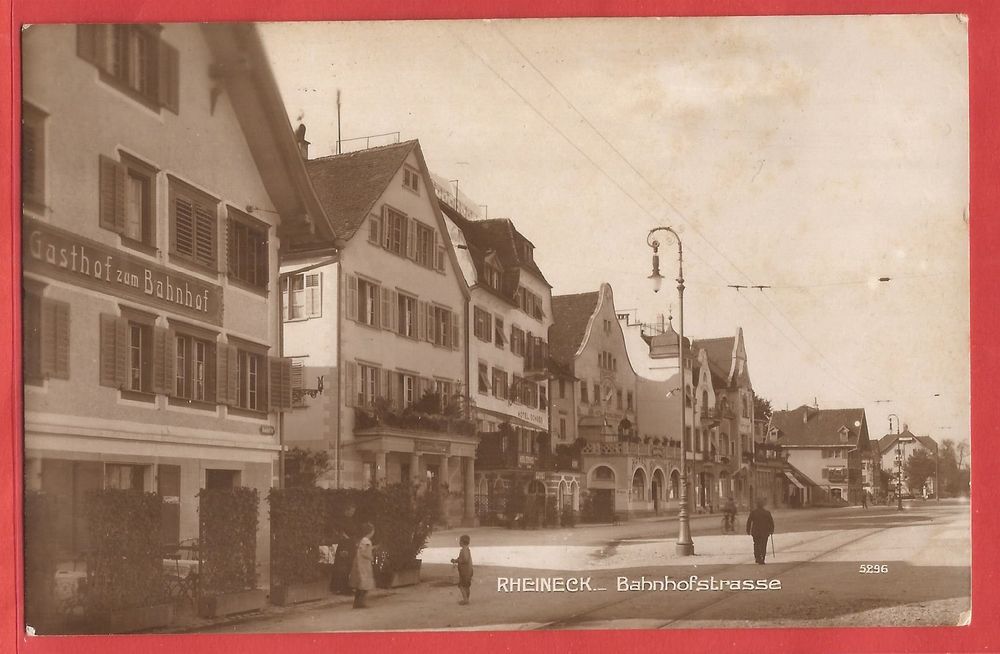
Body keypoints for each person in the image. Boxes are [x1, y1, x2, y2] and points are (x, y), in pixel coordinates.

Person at [329, 502, 357, 595]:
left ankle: (346, 587)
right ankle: (342, 588)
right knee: (342, 567)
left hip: (350, 545)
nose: (352, 513)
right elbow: (339, 531)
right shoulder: (341, 520)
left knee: (348, 566)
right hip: (344, 545)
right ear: (347, 510)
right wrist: (344, 537)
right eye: (351, 511)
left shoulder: (350, 520)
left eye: (354, 511)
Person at [349, 522, 375, 608]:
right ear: (370, 532)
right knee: (364, 584)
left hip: (360, 563)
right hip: (364, 564)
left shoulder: (362, 540)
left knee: (361, 584)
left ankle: (357, 602)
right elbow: (364, 552)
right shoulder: (367, 541)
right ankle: (360, 603)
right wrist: (370, 557)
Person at [746, 497, 774, 564]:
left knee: (756, 544)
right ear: (763, 505)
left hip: (755, 532)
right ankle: (762, 558)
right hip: (764, 532)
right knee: (763, 545)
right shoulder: (767, 513)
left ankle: (757, 557)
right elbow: (771, 522)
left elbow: (749, 521)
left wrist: (748, 530)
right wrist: (771, 530)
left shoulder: (753, 512)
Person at [450, 534, 474, 605]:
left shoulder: (464, 550)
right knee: (466, 586)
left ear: (462, 542)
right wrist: (455, 560)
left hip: (465, 571)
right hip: (469, 571)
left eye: (460, 541)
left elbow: (465, 560)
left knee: (461, 586)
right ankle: (467, 598)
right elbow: (463, 558)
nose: (459, 542)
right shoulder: (467, 550)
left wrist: (458, 561)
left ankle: (465, 600)